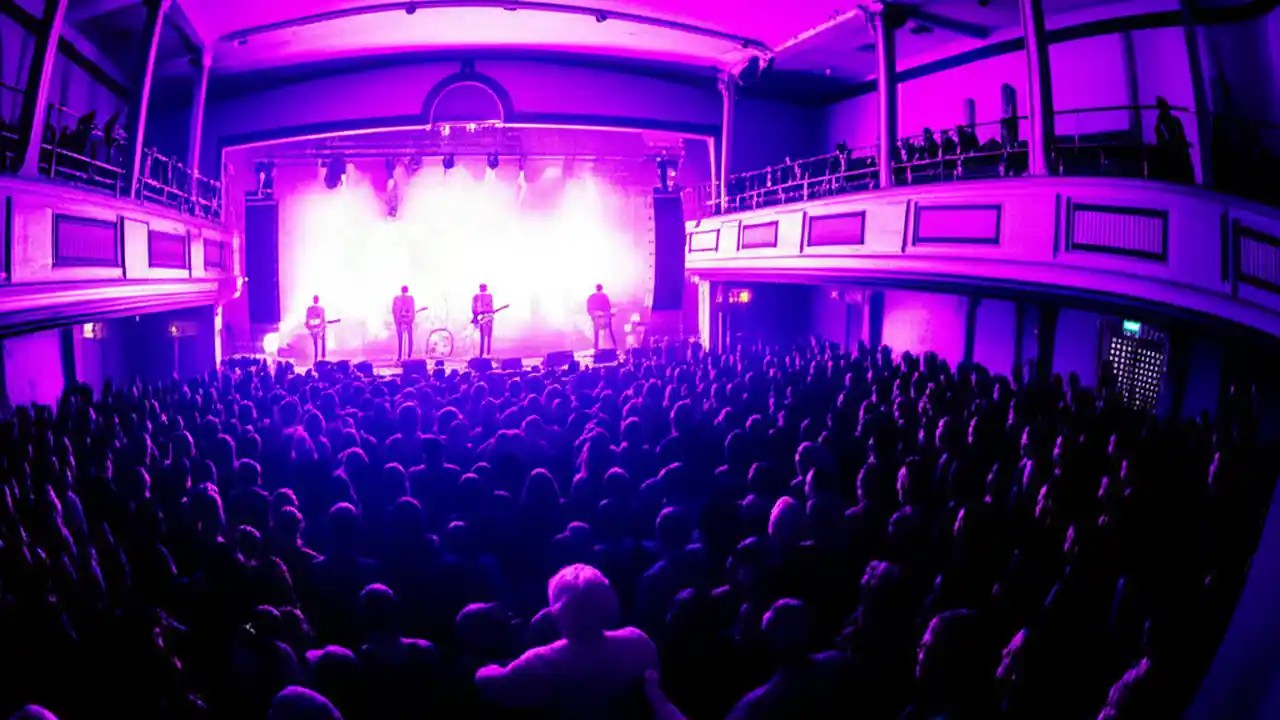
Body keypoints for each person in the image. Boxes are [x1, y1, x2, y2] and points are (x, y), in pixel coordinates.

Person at [474, 564, 658, 717]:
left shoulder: (543, 660)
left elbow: (491, 684)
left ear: (556, 609)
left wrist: (482, 667)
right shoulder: (637, 641)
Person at [1153, 96, 1194, 183]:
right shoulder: (1161, 123)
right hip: (1172, 153)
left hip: (1177, 152)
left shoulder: (1172, 121)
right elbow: (1163, 140)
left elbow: (1180, 135)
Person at [587, 284, 616, 351]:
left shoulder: (592, 296)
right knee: (608, 331)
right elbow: (608, 307)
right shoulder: (603, 296)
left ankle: (597, 348)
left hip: (599, 317)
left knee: (597, 333)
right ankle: (614, 347)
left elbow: (589, 309)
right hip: (601, 317)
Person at [392, 285, 415, 362]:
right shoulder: (410, 298)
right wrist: (410, 321)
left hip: (401, 321)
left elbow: (394, 311)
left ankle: (400, 356)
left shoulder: (397, 298)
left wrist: (396, 321)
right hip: (406, 321)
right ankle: (408, 356)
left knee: (402, 339)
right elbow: (412, 310)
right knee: (409, 339)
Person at [472, 283, 495, 358]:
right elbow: (474, 307)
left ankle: (486, 354)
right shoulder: (476, 296)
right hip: (482, 317)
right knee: (484, 336)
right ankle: (484, 354)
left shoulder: (488, 296)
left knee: (487, 337)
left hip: (486, 317)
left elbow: (490, 306)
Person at [305, 295, 327, 362]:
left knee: (318, 342)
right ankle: (318, 357)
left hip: (317, 327)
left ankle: (320, 357)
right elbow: (308, 318)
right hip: (315, 328)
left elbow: (322, 319)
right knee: (316, 343)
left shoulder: (319, 309)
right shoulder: (314, 309)